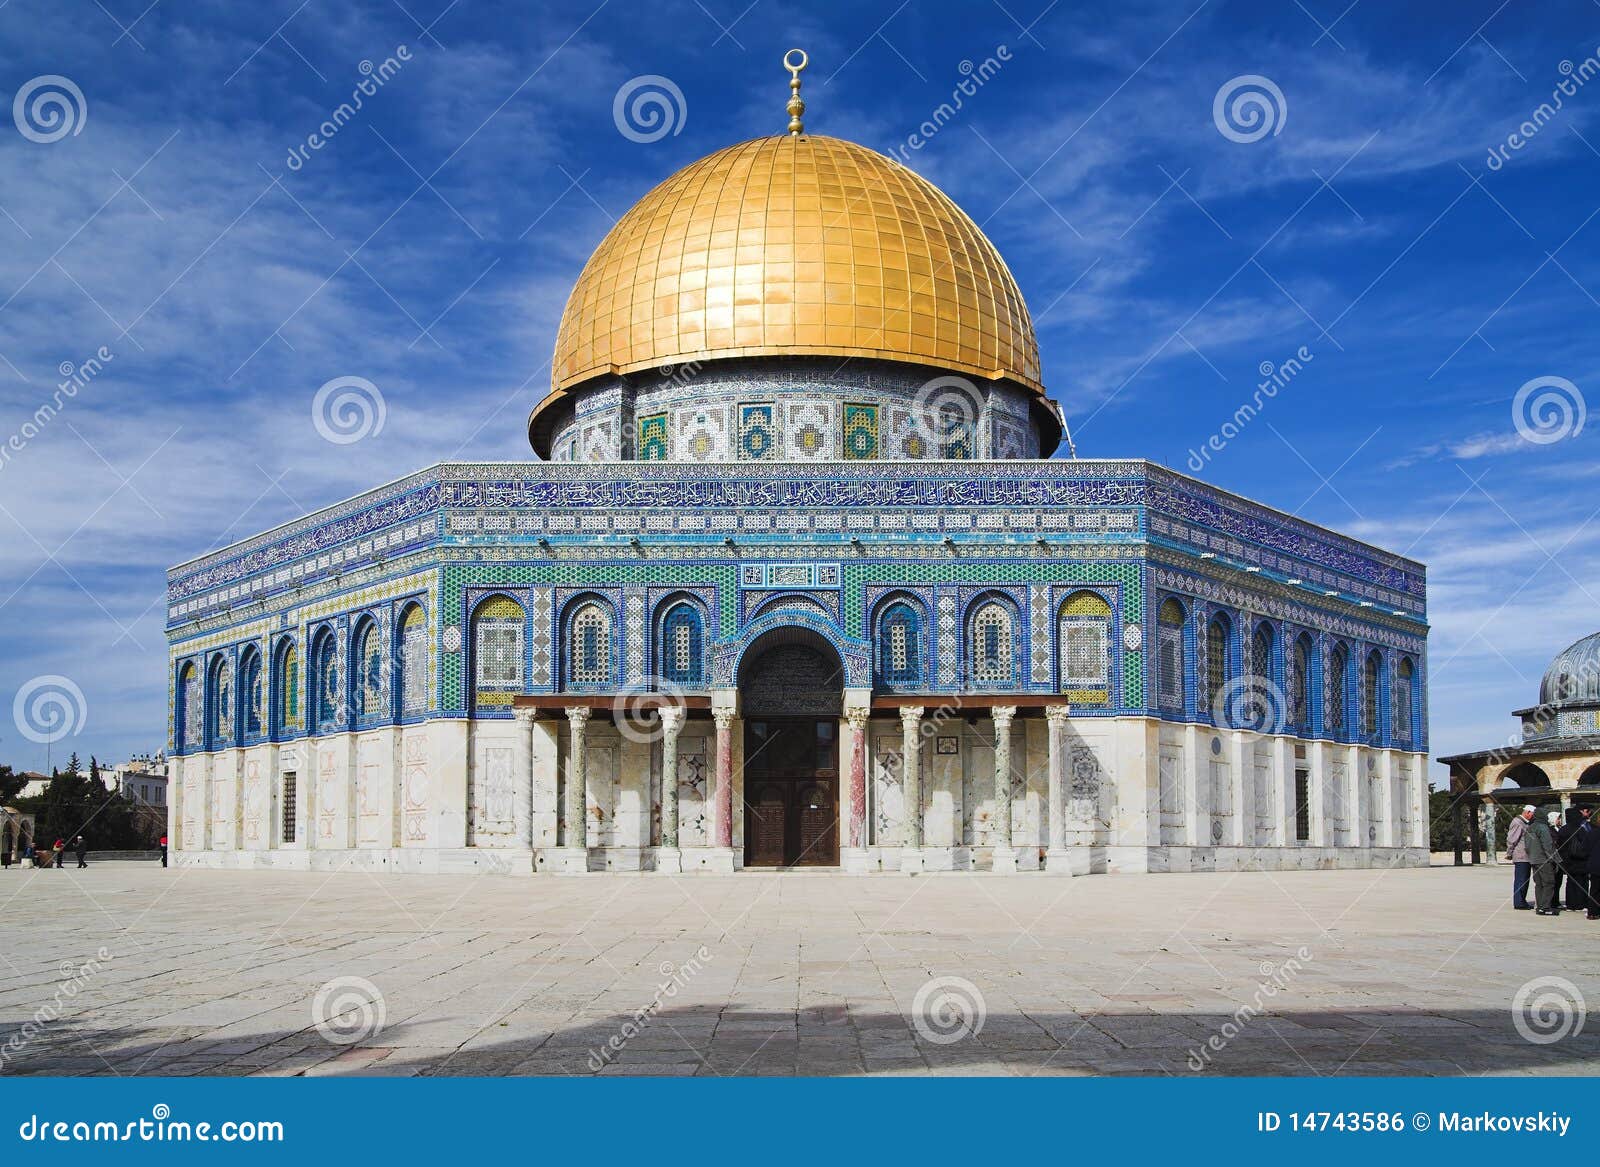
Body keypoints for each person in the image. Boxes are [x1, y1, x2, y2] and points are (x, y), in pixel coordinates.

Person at [1528, 809, 1562, 915]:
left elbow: (1527, 845)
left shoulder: (1530, 827)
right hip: (1544, 859)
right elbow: (1548, 845)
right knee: (1549, 883)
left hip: (1534, 859)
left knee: (1539, 884)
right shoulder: (1543, 827)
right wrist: (1553, 859)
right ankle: (1545, 907)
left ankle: (1540, 906)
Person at [1506, 805, 1535, 909]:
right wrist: (1509, 853)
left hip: (1526, 856)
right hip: (1521, 856)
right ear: (1527, 812)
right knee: (1521, 880)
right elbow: (1512, 839)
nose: (1533, 816)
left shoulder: (1524, 822)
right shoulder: (1518, 822)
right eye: (1532, 814)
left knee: (1524, 880)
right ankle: (1519, 902)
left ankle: (1522, 900)